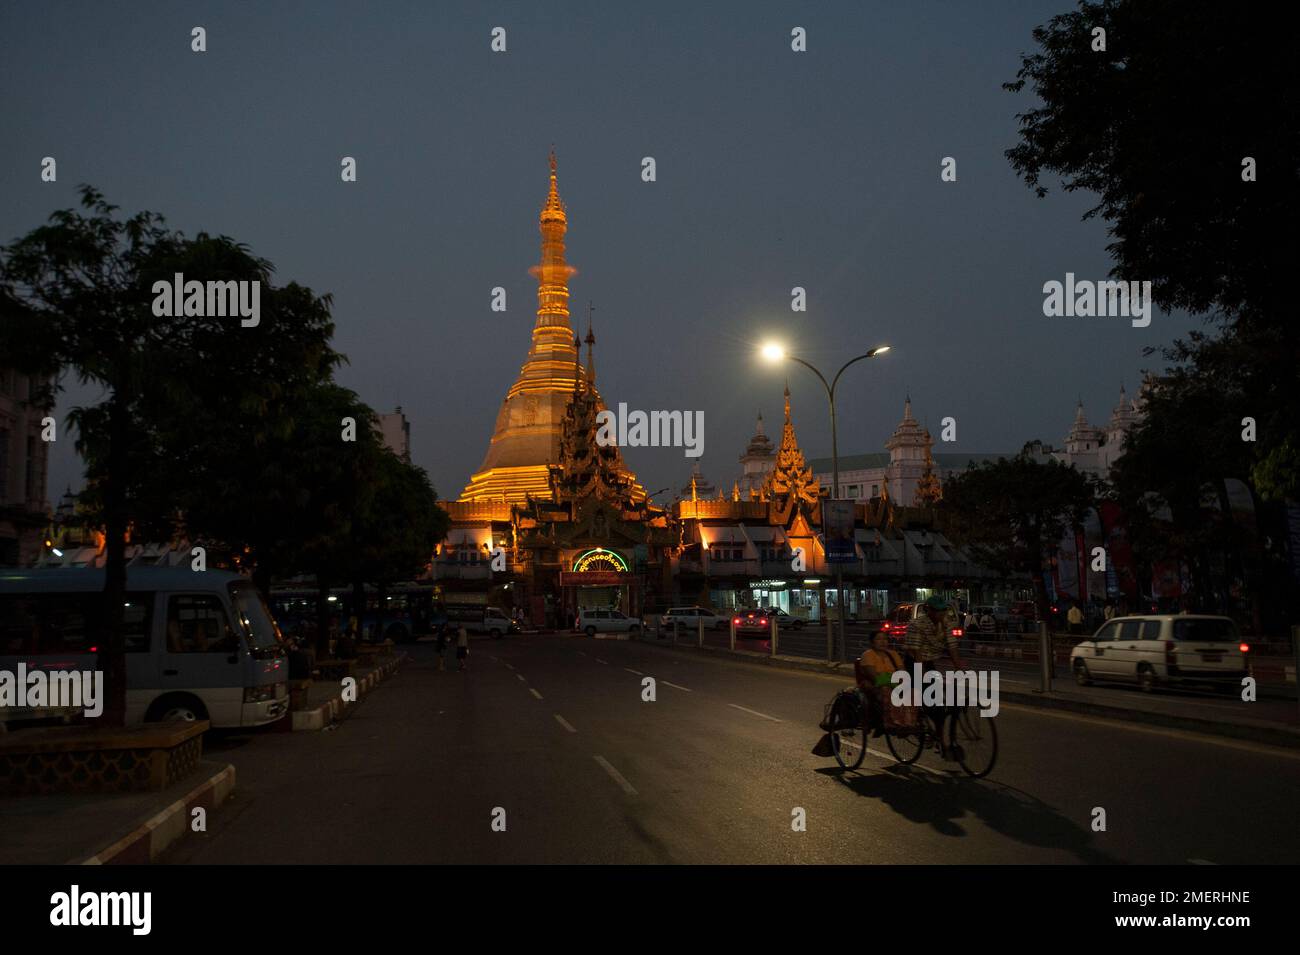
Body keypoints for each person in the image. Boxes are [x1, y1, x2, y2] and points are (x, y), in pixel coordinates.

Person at [905, 595, 964, 750]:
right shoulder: (917, 625)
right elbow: (916, 653)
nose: (941, 614)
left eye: (943, 610)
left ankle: (939, 737)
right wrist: (923, 676)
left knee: (941, 703)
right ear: (929, 610)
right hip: (914, 662)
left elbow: (952, 647)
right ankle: (925, 727)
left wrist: (959, 667)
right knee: (931, 701)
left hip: (929, 661)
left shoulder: (946, 624)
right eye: (938, 611)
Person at [857, 630, 905, 736]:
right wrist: (893, 679)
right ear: (872, 642)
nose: (882, 642)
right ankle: (890, 723)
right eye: (878, 639)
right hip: (875, 685)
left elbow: (901, 671)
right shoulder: (868, 655)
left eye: (885, 639)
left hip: (894, 683)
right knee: (886, 691)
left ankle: (908, 722)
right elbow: (874, 677)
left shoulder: (893, 654)